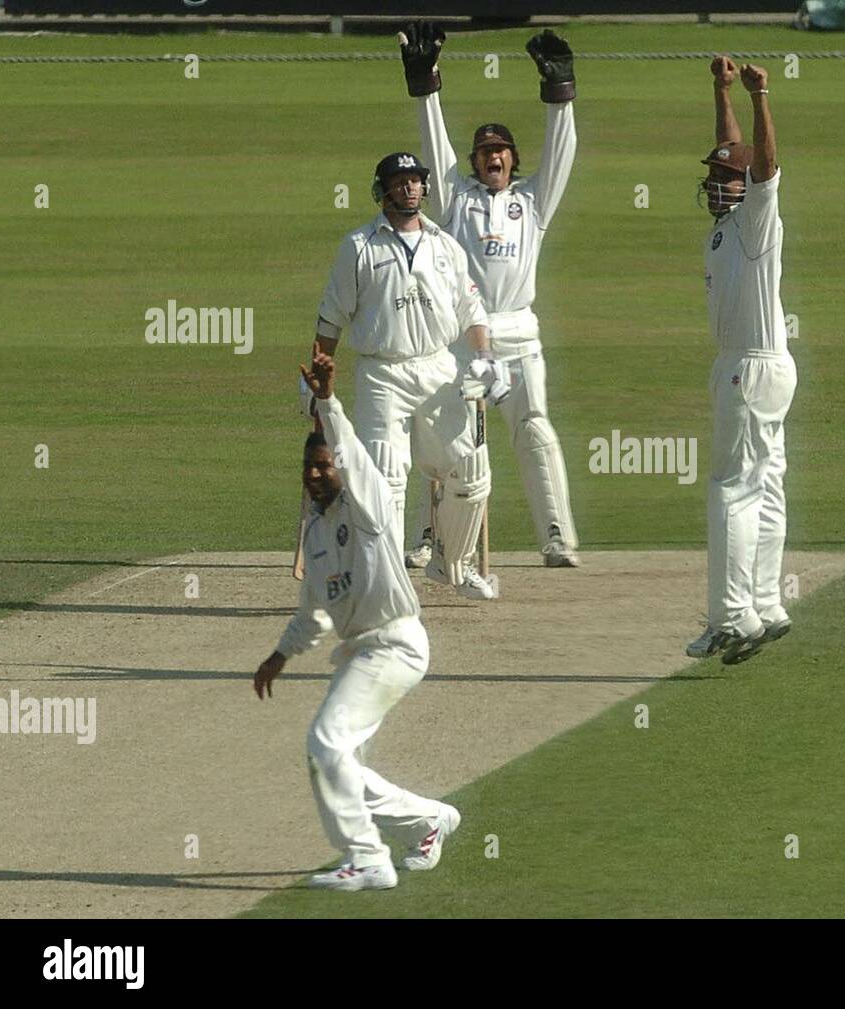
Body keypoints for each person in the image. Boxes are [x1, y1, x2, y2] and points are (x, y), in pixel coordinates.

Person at [257, 346, 461, 892]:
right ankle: (427, 820)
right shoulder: (318, 533)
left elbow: (348, 450)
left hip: (395, 644)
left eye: (324, 465)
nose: (318, 473)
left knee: (325, 742)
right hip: (360, 652)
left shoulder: (364, 504)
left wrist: (326, 400)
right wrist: (279, 654)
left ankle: (368, 857)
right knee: (332, 759)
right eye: (310, 468)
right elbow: (314, 612)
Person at [397, 22, 583, 570]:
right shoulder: (456, 196)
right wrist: (426, 83)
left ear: (512, 157)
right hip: (462, 338)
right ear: (475, 161)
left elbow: (562, 151)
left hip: (520, 335)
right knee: (444, 437)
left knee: (534, 430)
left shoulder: (534, 201)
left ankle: (555, 536)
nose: (492, 157)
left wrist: (561, 93)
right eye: (484, 151)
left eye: (501, 150)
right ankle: (430, 536)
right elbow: (436, 145)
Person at [309, 150, 509, 600]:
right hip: (382, 372)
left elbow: (471, 309)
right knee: (384, 478)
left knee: (472, 471)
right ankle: (385, 585)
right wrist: (317, 391)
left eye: (416, 180)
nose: (410, 187)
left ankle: (451, 565)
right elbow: (330, 321)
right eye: (400, 181)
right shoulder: (358, 246)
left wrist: (485, 357)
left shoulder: (445, 245)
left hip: (438, 367)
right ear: (382, 191)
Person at [685, 58, 797, 665]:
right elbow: (734, 149)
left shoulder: (756, 218)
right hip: (767, 367)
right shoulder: (728, 223)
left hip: (748, 369)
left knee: (731, 489)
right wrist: (722, 91)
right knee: (766, 485)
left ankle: (732, 618)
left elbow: (763, 165)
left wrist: (761, 96)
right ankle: (766, 602)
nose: (715, 181)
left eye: (723, 178)